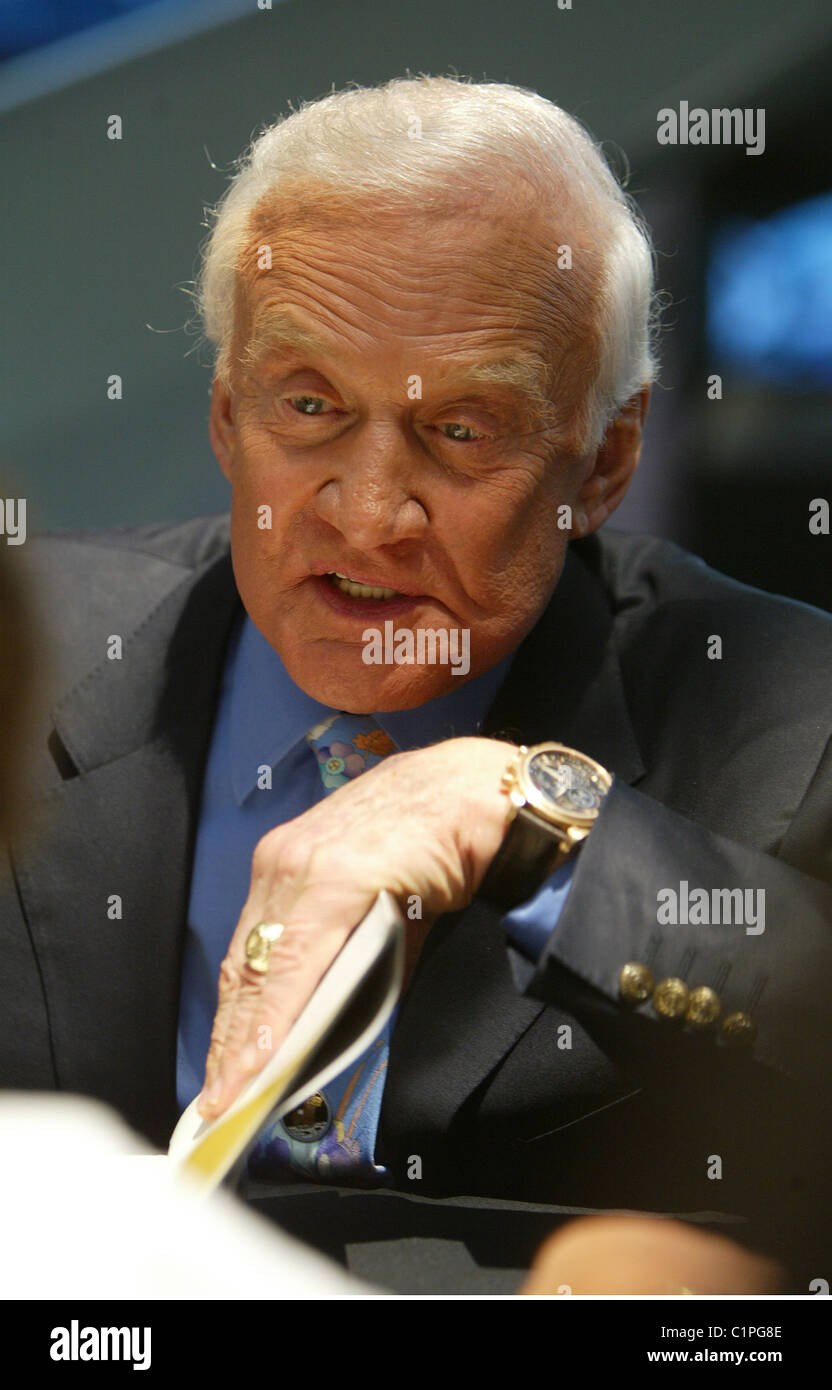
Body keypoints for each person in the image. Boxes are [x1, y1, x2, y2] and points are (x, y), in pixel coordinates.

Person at [3, 75, 830, 1293]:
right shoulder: (34, 656)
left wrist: (536, 818)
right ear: (227, 417)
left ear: (602, 460)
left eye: (461, 430)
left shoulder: (791, 715)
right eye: (309, 406)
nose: (370, 515)